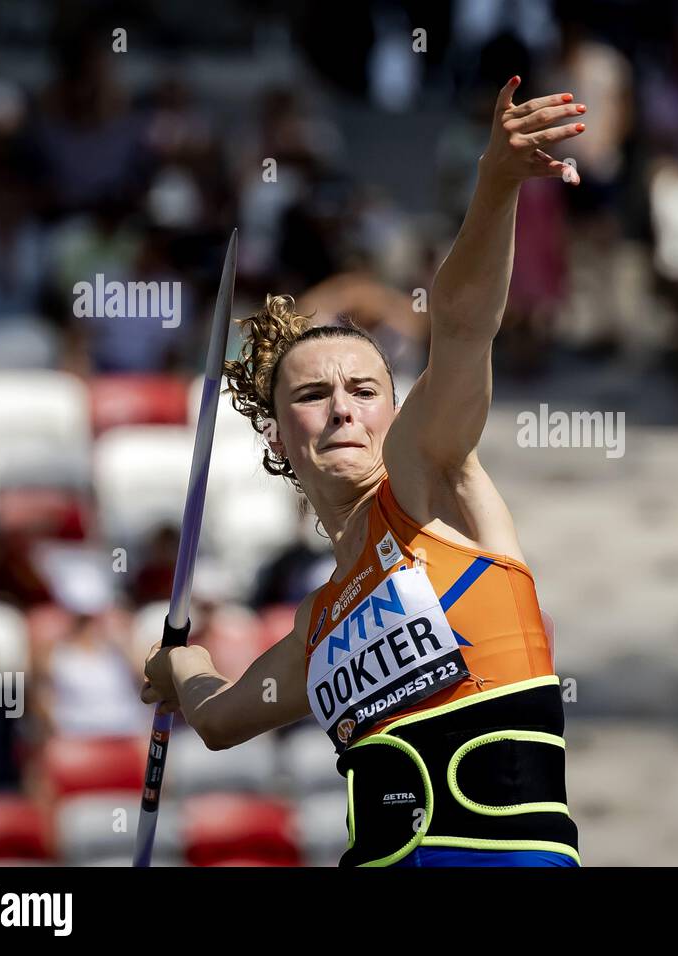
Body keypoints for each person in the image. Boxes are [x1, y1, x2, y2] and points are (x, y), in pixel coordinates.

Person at [142, 76, 587, 868]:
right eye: (313, 394)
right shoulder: (318, 626)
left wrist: (495, 183)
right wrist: (182, 665)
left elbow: (459, 323)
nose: (344, 408)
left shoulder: (431, 480)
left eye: (365, 389)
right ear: (280, 436)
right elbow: (218, 721)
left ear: (396, 410)